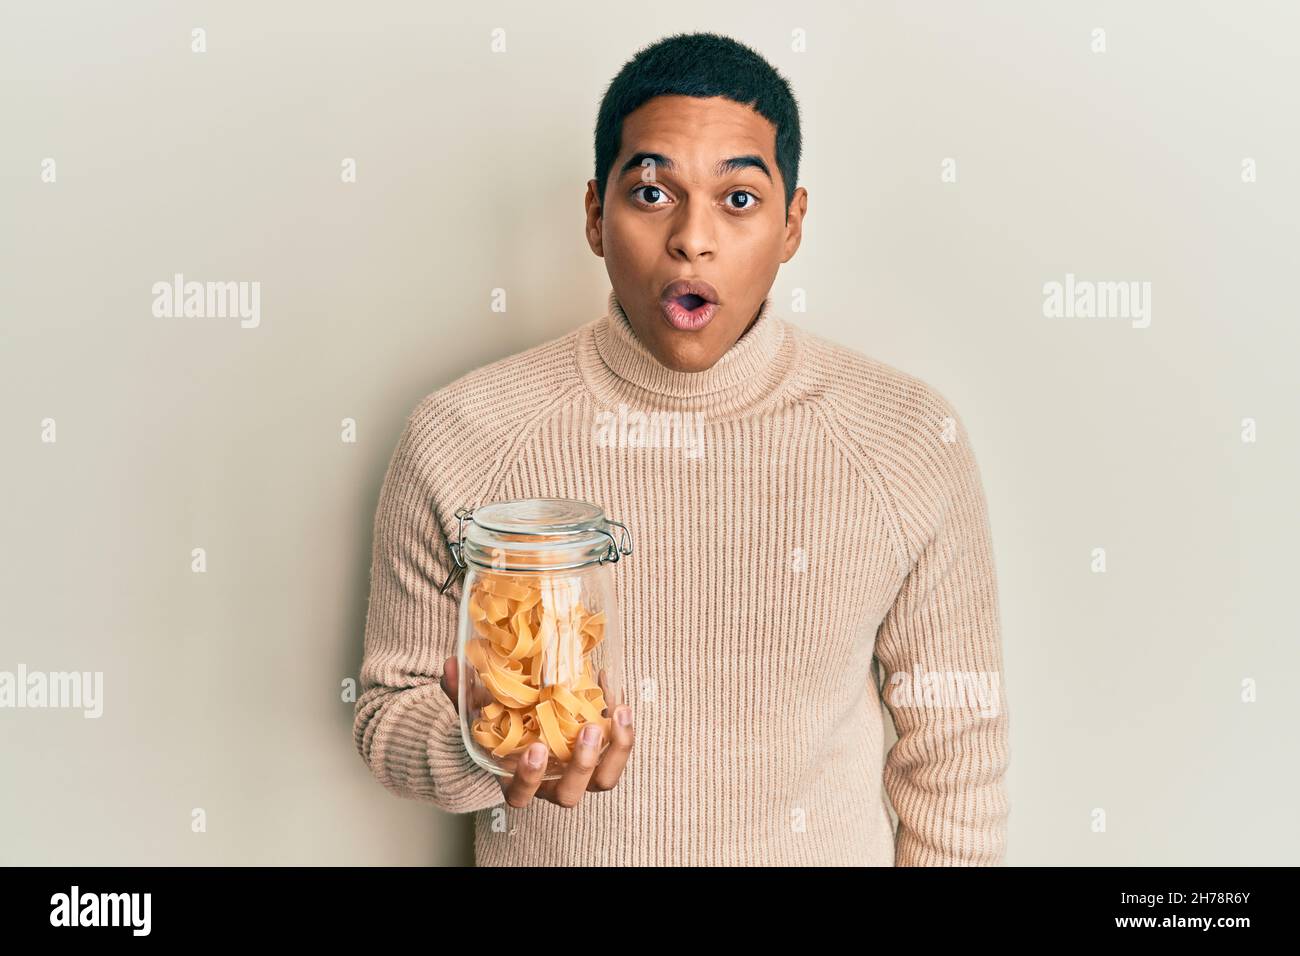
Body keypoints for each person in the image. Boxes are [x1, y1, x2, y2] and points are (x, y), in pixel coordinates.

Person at [353, 30, 1010, 866]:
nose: (693, 239)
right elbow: (386, 712)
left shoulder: (909, 438)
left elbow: (955, 757)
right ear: (595, 216)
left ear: (792, 225)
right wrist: (488, 747)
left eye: (738, 200)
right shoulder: (463, 432)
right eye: (653, 194)